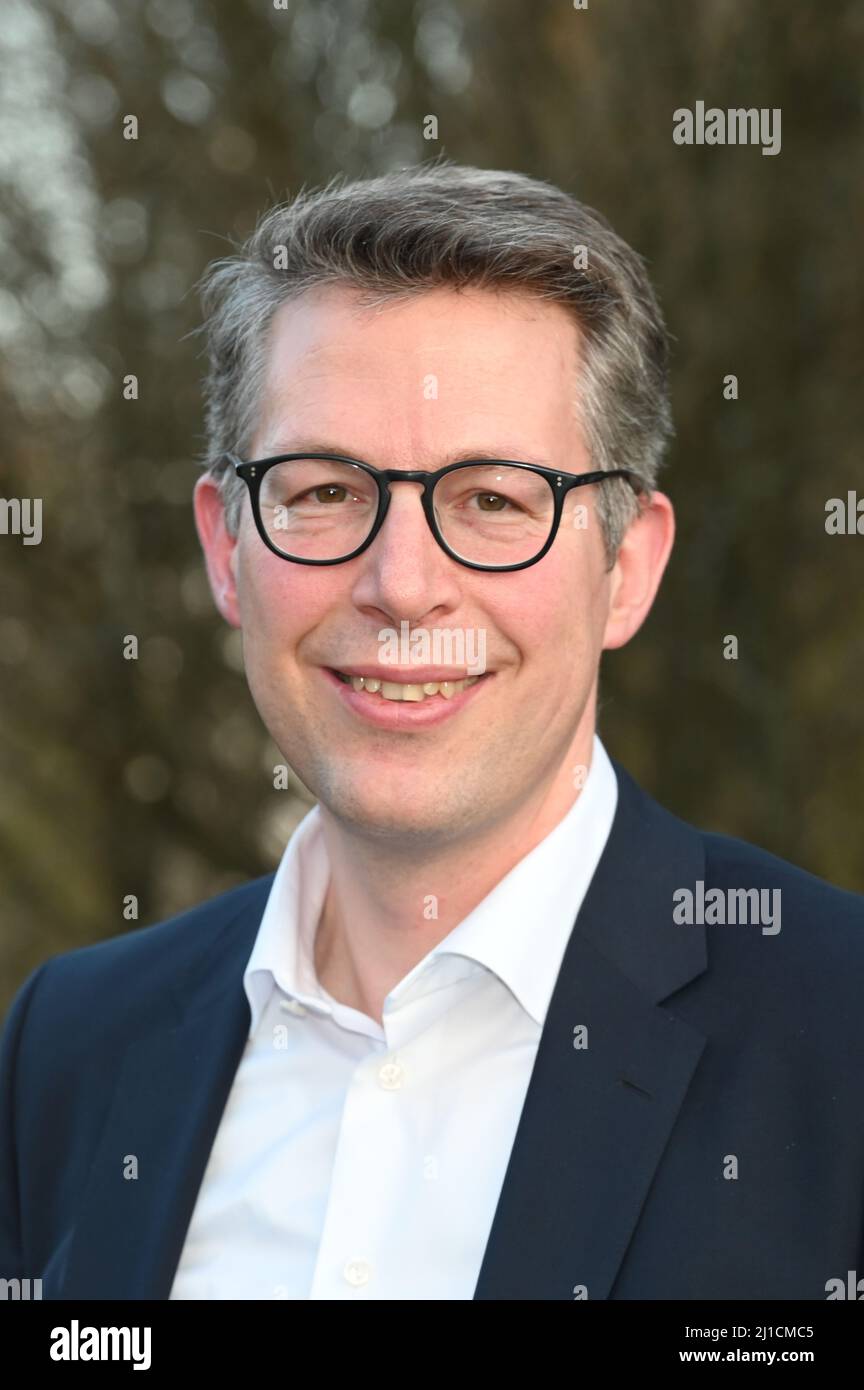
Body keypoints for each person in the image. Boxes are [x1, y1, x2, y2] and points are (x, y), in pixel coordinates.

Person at [1, 162, 862, 1302]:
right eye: (323, 493)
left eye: (493, 500)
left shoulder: (839, 1033)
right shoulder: (69, 1047)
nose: (402, 585)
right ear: (226, 547)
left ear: (627, 568)